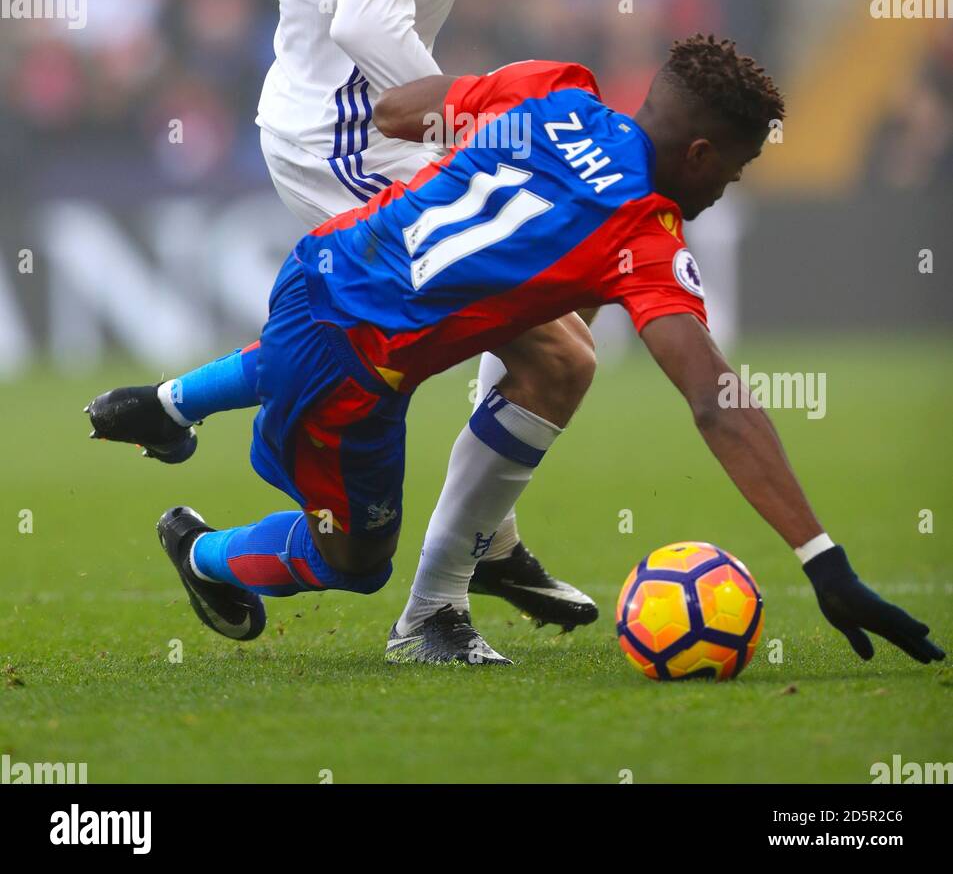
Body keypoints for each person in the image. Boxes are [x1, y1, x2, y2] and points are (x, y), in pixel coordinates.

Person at [86, 0, 605, 633]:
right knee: (543, 354)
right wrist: (474, 137)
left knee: (532, 335)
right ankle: (441, 594)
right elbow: (366, 16)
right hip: (349, 129)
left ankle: (190, 415)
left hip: (335, 111)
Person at [133, 37, 943, 667]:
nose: (728, 186)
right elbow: (712, 400)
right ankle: (207, 554)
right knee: (352, 561)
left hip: (320, 265)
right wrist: (822, 562)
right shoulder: (641, 233)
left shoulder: (557, 89)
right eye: (734, 168)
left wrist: (487, 157)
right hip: (351, 369)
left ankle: (454, 583)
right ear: (699, 155)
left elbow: (398, 115)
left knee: (560, 360)